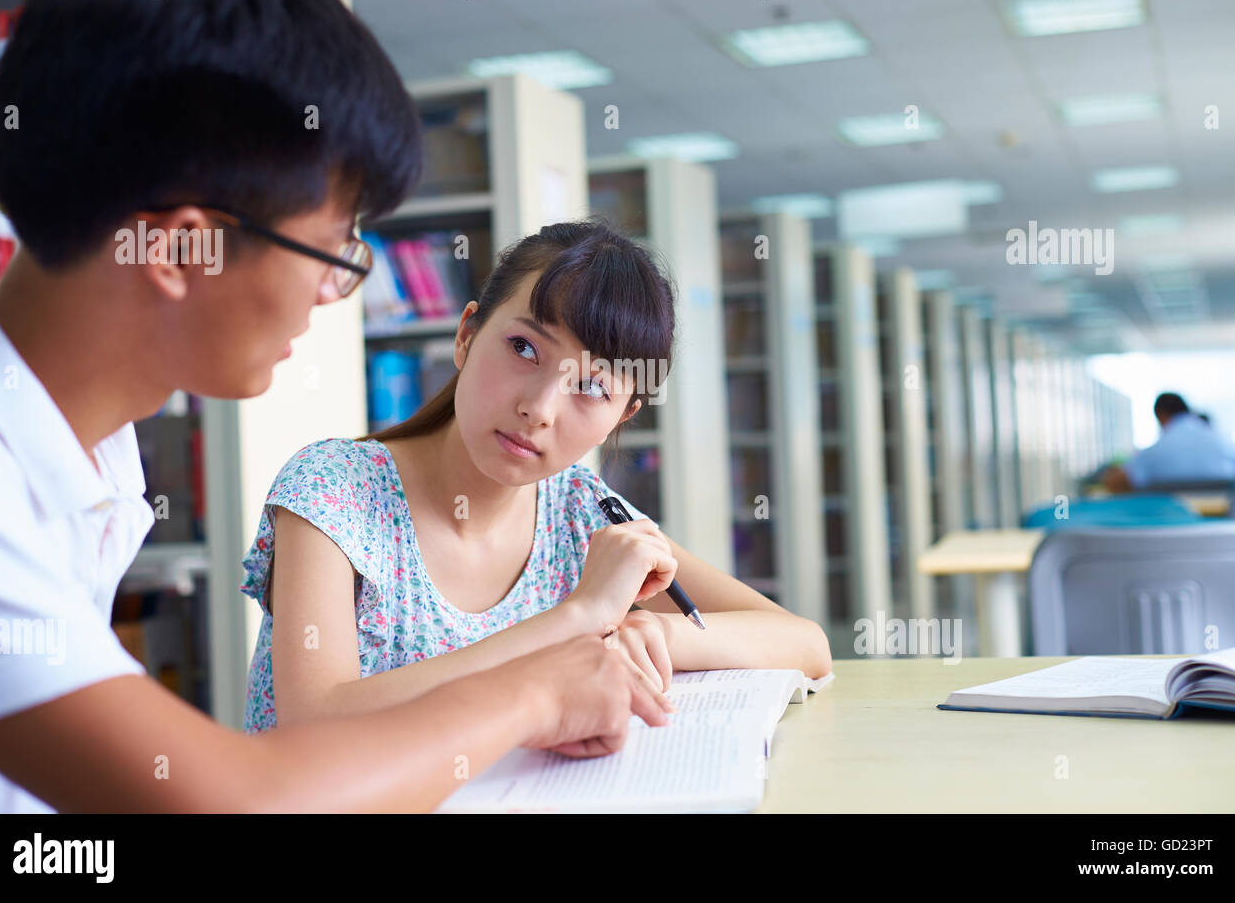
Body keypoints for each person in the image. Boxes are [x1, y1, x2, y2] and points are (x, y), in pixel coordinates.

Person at [0, 0, 676, 814]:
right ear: (183, 247)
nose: (335, 290)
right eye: (332, 248)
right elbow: (241, 803)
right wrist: (537, 691)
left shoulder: (93, 440)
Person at [244, 221, 833, 732]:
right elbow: (316, 722)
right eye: (524, 348)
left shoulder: (580, 512)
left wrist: (653, 637)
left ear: (622, 416)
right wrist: (578, 620)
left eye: (591, 387)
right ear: (467, 335)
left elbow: (806, 644)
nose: (541, 408)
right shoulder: (334, 489)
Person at [1102, 392, 1235, 492]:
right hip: (1227, 531)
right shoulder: (1221, 439)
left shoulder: (1155, 451)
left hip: (1167, 532)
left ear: (1160, 416)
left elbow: (1114, 481)